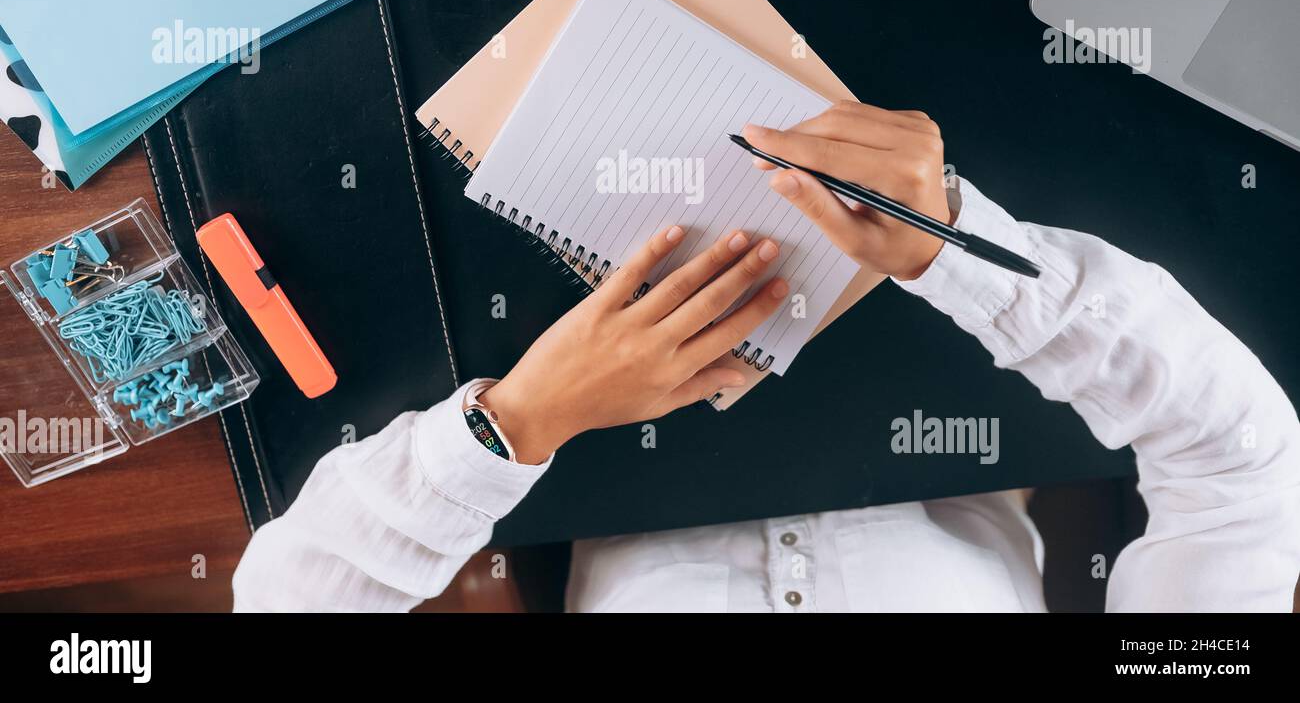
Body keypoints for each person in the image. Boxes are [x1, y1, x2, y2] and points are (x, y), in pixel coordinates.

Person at [232, 103, 1300, 612]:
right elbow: (1242, 470)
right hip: (942, 350)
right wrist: (961, 250)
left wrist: (516, 420)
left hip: (581, 397)